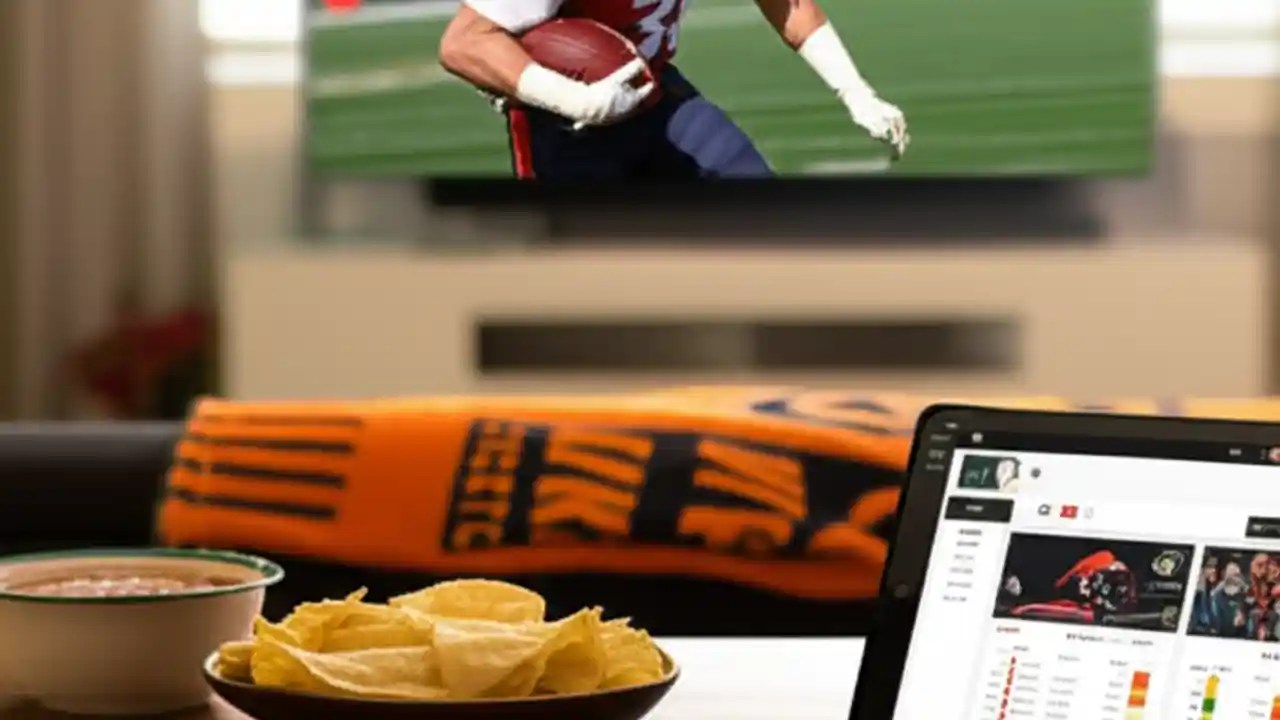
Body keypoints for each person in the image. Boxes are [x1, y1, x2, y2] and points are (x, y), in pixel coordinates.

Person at [438, 0, 909, 180]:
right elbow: (463, 42)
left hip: (656, 93)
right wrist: (572, 98)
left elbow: (788, 3)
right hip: (565, 128)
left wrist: (854, 90)